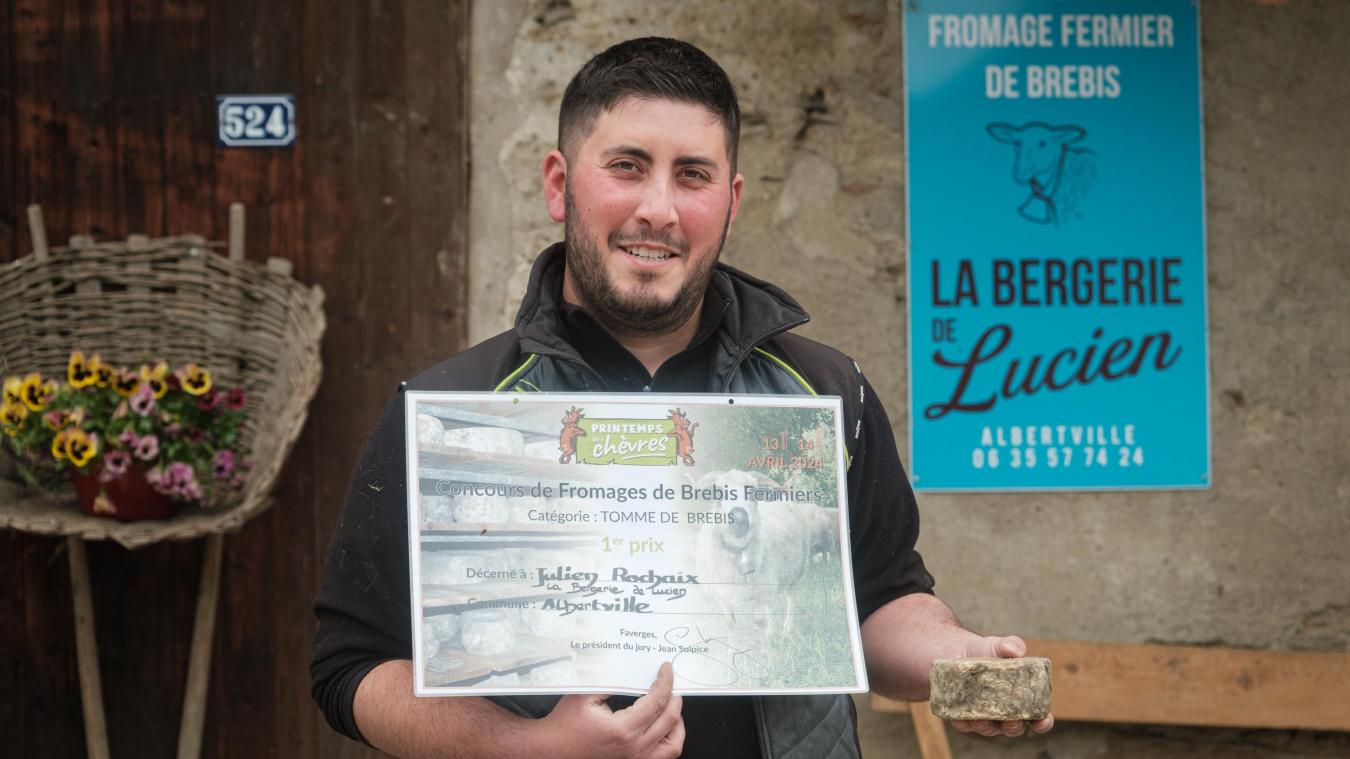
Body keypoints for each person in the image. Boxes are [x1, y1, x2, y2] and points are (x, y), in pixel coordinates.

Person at [311, 36, 1053, 758]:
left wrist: (959, 656)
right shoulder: (453, 412)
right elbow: (352, 665)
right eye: (627, 167)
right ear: (559, 183)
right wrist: (527, 747)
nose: (658, 209)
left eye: (692, 175)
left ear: (730, 201)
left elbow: (879, 603)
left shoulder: (825, 394)